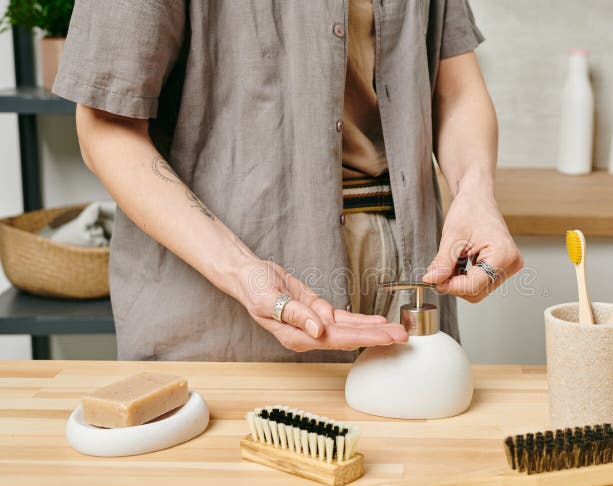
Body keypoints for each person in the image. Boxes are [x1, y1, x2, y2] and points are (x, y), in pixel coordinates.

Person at [53, 0, 522, 362]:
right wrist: (241, 272)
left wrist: (475, 191)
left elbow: (455, 85)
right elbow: (105, 128)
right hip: (223, 301)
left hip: (410, 282)